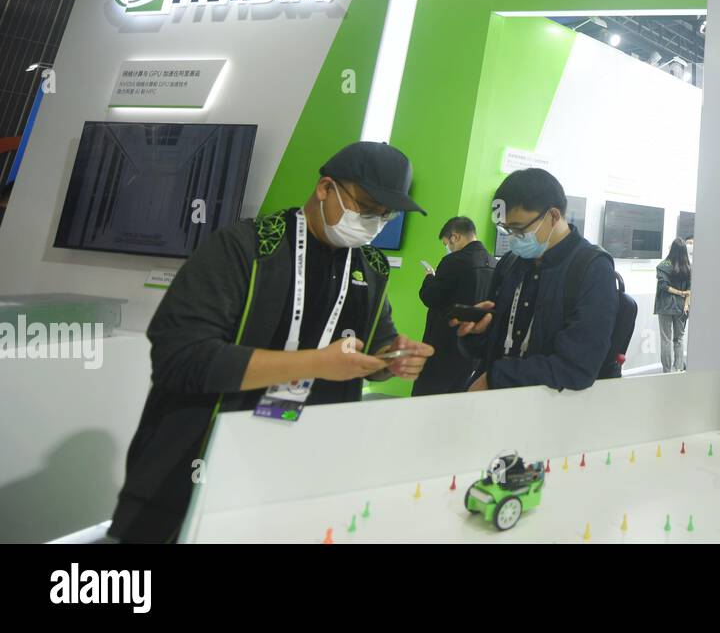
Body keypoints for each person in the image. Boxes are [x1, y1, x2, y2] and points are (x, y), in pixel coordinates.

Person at [108, 141, 434, 543]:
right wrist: (313, 363)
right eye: (366, 208)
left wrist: (392, 360)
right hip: (198, 459)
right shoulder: (247, 247)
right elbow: (180, 358)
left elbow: (375, 347)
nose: (373, 223)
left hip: (299, 468)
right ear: (325, 188)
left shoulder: (371, 267)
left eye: (385, 216)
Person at [455, 168, 617, 392]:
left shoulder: (592, 269)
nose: (511, 238)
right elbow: (490, 349)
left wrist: (496, 378)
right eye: (505, 229)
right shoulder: (511, 263)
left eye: (518, 229)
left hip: (550, 410)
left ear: (553, 216)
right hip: (493, 402)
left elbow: (577, 368)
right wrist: (475, 334)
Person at [412, 216, 494, 396]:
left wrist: (429, 278)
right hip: (471, 349)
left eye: (446, 243)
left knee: (425, 399)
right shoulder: (492, 262)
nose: (448, 248)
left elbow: (430, 297)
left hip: (443, 345)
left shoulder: (453, 261)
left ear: (454, 237)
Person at [655, 238, 691, 373]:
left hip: (665, 306)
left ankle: (667, 371)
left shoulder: (664, 265)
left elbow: (663, 286)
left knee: (666, 340)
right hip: (681, 307)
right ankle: (679, 369)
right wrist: (686, 303)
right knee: (679, 339)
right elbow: (689, 290)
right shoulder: (688, 267)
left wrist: (679, 292)